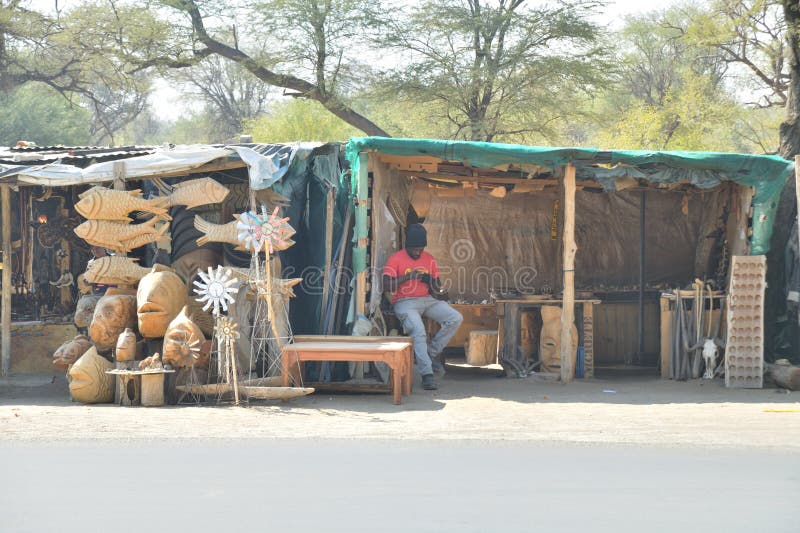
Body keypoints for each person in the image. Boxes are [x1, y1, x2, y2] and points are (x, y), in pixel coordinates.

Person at [382, 224, 463, 390]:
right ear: (407, 246)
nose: (418, 252)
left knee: (455, 318)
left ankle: (430, 353)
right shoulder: (395, 259)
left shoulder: (429, 259)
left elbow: (437, 288)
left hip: (427, 299)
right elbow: (387, 285)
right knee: (418, 331)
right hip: (404, 302)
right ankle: (427, 374)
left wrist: (429, 281)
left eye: (421, 249)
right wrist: (407, 277)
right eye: (414, 249)